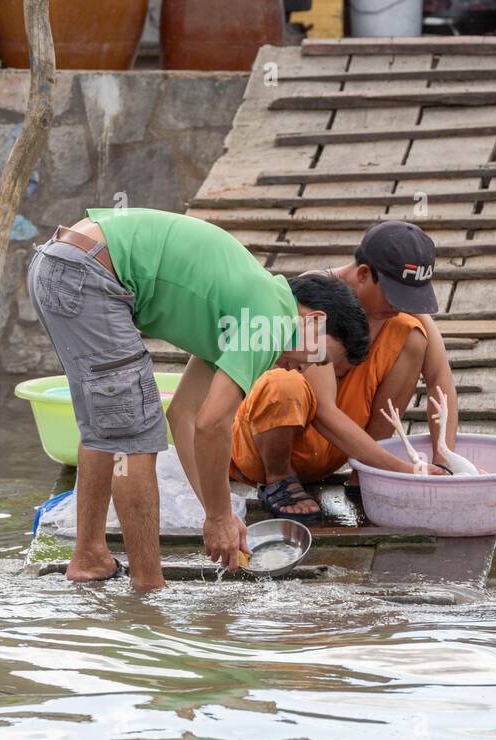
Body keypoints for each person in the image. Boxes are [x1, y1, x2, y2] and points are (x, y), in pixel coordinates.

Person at [26, 207, 372, 593]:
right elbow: (213, 424)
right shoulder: (273, 318)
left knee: (111, 427)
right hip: (87, 272)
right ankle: (149, 590)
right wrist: (221, 516)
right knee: (135, 438)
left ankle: (90, 556)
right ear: (314, 321)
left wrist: (215, 511)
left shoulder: (242, 307)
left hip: (61, 263)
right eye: (319, 358)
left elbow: (185, 416)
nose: (302, 370)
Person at [229, 221, 459, 521]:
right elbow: (323, 412)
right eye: (395, 295)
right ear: (363, 274)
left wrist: (445, 460)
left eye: (410, 297)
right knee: (285, 383)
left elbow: (441, 382)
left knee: (413, 335)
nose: (402, 305)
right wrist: (406, 470)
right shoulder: (314, 298)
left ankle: (365, 473)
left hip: (337, 451)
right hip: (269, 444)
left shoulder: (400, 314)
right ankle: (279, 478)